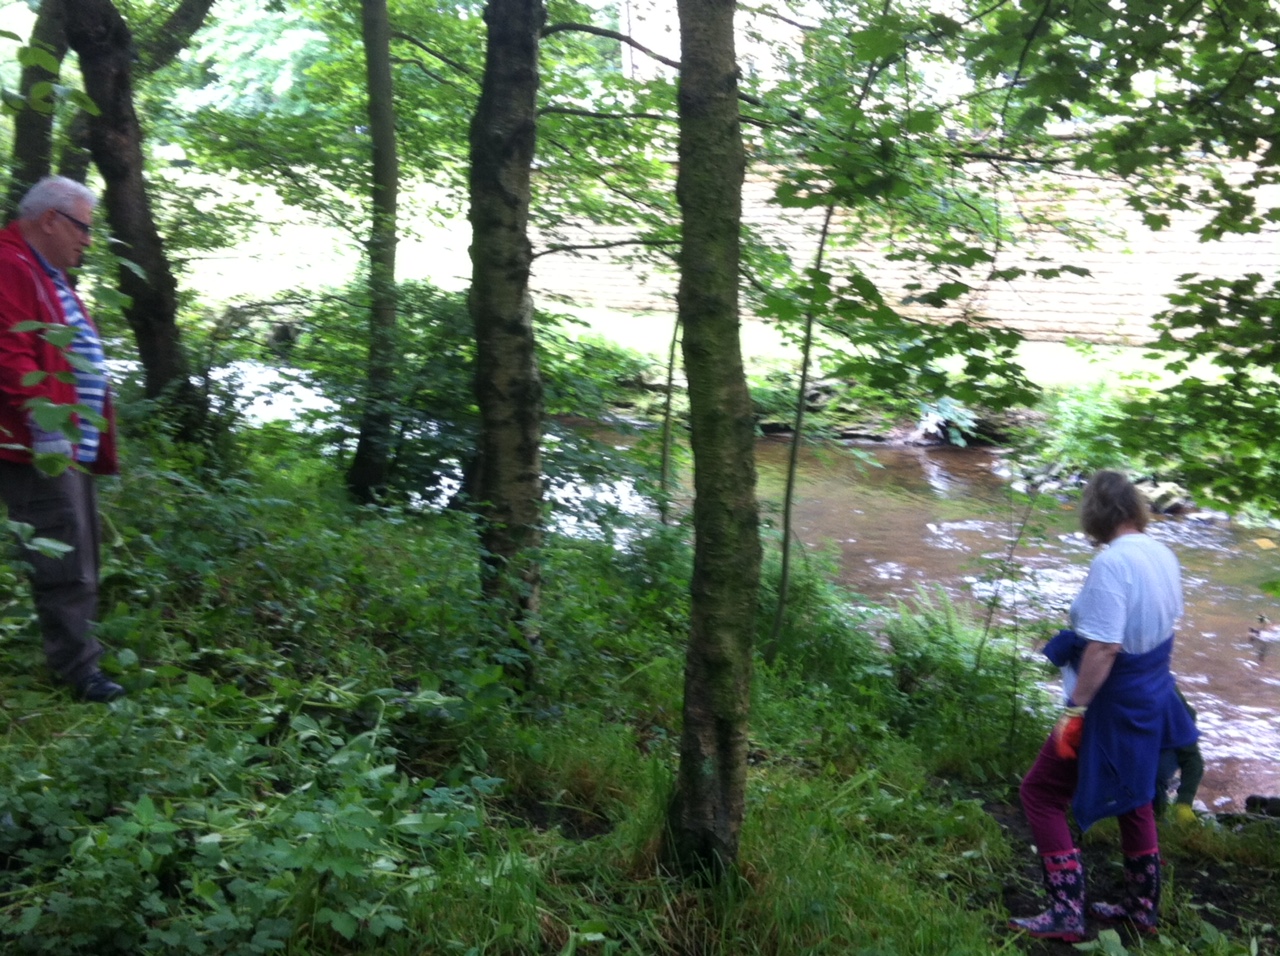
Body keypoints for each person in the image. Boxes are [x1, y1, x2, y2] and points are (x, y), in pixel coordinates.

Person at [1008, 470, 1198, 941]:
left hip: (1110, 702)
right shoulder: (1163, 554)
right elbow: (1161, 627)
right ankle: (1141, 910)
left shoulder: (1112, 564)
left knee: (1041, 793)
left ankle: (1066, 912)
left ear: (1095, 514)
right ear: (1133, 508)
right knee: (1135, 798)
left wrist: (1075, 710)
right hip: (1151, 696)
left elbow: (1106, 647)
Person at [0, 175, 122, 703]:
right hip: (36, 445)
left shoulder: (43, 271)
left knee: (77, 548)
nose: (88, 240)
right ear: (50, 219)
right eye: (82, 228)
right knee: (66, 555)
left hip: (63, 443)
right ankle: (79, 672)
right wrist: (44, 427)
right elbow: (8, 351)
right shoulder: (9, 263)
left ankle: (77, 656)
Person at [1154, 689, 1204, 824]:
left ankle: (1157, 820)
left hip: (1165, 746)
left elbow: (1192, 759)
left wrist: (1184, 802)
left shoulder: (1172, 708)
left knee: (1154, 775)